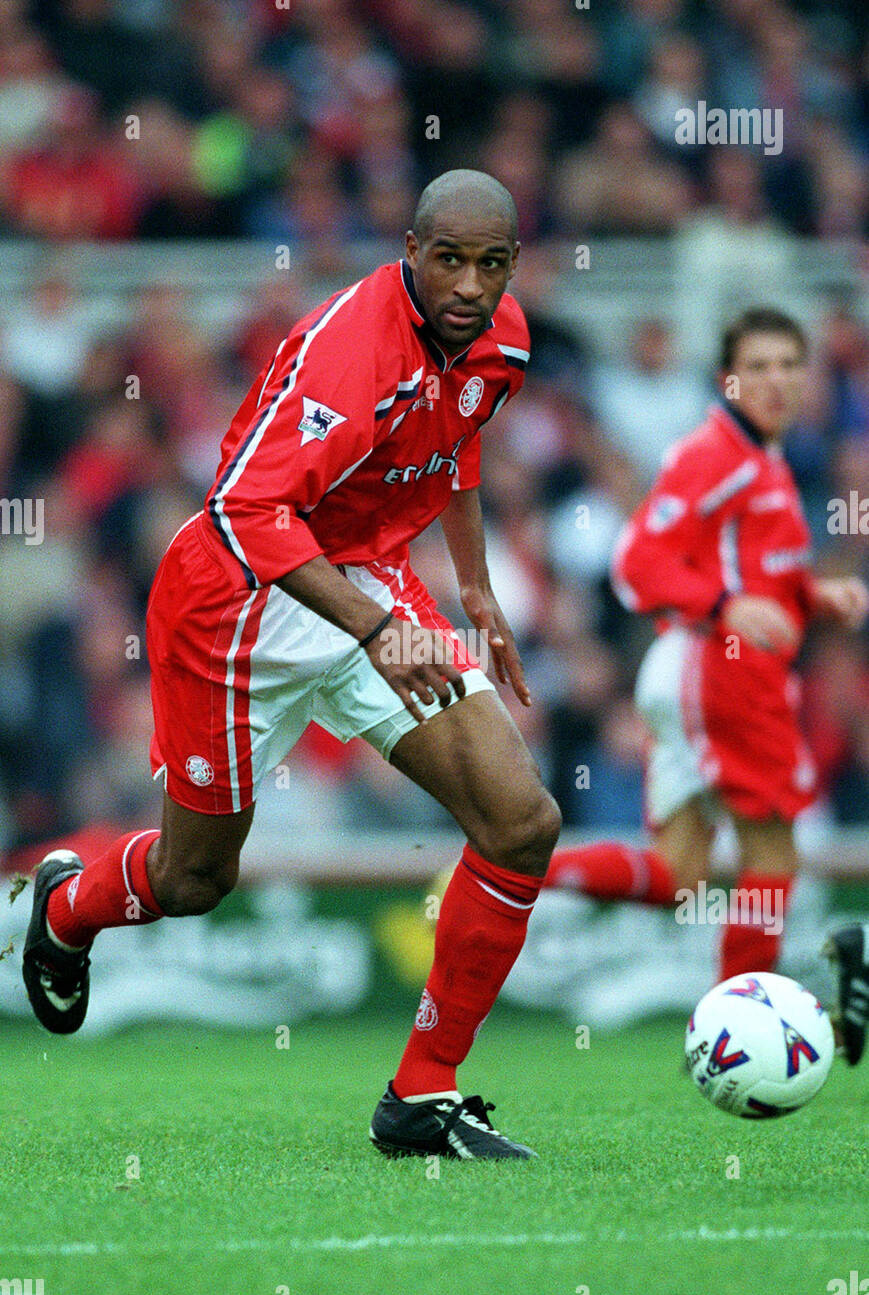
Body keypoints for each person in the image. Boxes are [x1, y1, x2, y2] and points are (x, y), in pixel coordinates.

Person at [21, 170, 562, 1159]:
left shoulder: (505, 339)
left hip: (365, 582)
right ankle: (64, 909)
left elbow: (459, 445)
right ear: (409, 248)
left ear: (510, 266)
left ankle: (419, 1096)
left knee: (521, 820)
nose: (468, 285)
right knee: (194, 879)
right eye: (448, 258)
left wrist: (475, 585)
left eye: (490, 264)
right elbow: (242, 510)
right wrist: (375, 628)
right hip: (236, 601)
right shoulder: (354, 350)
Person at [545, 306, 869, 1063]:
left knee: (676, 874)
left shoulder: (763, 460)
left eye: (789, 364)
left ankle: (517, 867)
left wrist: (815, 596)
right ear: (726, 378)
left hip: (702, 668)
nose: (776, 380)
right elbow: (636, 563)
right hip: (716, 669)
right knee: (771, 854)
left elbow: (757, 575)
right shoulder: (715, 454)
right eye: (756, 366)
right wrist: (727, 608)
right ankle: (745, 1036)